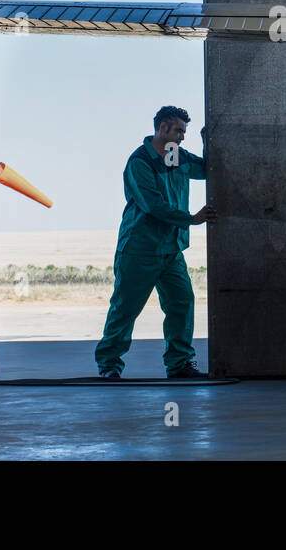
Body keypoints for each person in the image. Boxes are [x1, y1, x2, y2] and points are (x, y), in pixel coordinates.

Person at [94, 106, 216, 380]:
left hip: (171, 250)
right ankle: (109, 365)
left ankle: (180, 364)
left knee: (181, 302)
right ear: (163, 128)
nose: (183, 137)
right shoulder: (140, 162)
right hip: (140, 249)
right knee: (125, 308)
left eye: (184, 132)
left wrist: (210, 141)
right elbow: (152, 205)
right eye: (179, 131)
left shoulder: (177, 157)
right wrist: (191, 219)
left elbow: (208, 170)